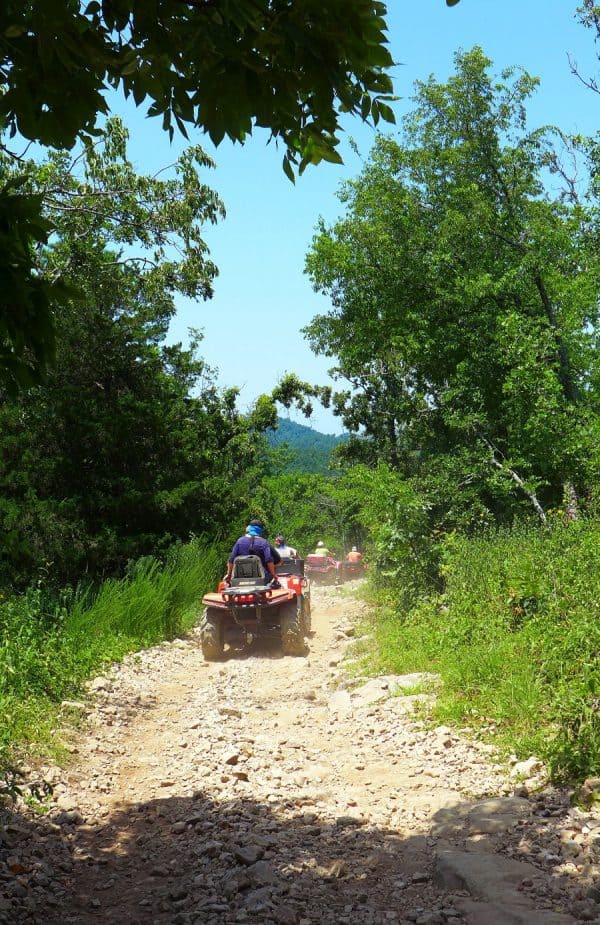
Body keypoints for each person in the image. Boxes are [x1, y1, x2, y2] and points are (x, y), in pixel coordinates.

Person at [225, 520, 280, 587]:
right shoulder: (264, 543)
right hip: (262, 578)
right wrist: (274, 575)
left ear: (249, 528)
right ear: (260, 530)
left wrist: (229, 575)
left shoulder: (240, 541)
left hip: (240, 578)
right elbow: (269, 559)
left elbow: (231, 559)